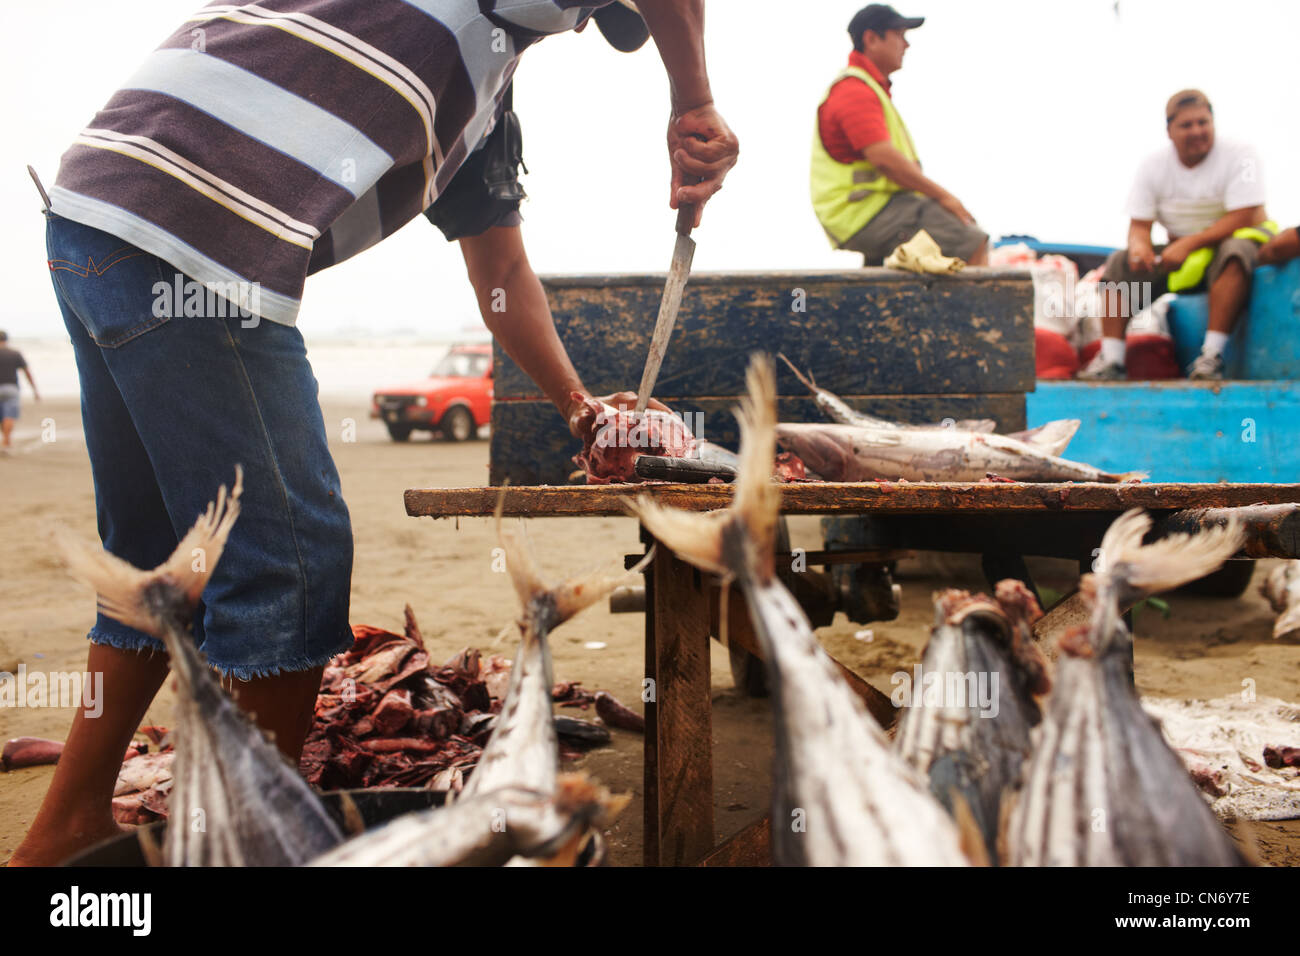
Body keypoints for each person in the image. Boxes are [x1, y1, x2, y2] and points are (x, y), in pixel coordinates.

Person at [13, 0, 737, 866]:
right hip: (195, 230)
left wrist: (584, 410)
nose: (581, 25)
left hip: (99, 217)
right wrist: (693, 99)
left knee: (157, 557)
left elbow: (501, 275)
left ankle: (64, 834)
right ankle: (249, 848)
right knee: (289, 562)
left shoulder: (481, 108)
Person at [1080, 90, 1271, 381]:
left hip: (1228, 250)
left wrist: (1188, 244)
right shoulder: (1153, 165)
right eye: (1186, 125)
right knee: (1118, 263)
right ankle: (1112, 360)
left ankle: (1211, 357)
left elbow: (1244, 215)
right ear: (1169, 130)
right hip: (1179, 257)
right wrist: (1139, 248)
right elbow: (1140, 225)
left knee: (1236, 250)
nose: (1196, 131)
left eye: (1202, 123)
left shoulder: (1240, 155)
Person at [811, 4, 988, 266]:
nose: (906, 45)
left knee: (907, 267)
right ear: (872, 39)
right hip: (865, 211)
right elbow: (884, 160)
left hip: (871, 209)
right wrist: (945, 197)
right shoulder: (854, 92)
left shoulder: (868, 89)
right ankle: (979, 307)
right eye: (899, 35)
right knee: (968, 239)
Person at [0, 331, 40, 452]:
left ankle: (6, 440)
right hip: (11, 388)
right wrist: (34, 390)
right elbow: (27, 372)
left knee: (2, 416)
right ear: (6, 339)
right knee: (9, 415)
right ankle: (7, 441)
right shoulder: (15, 353)